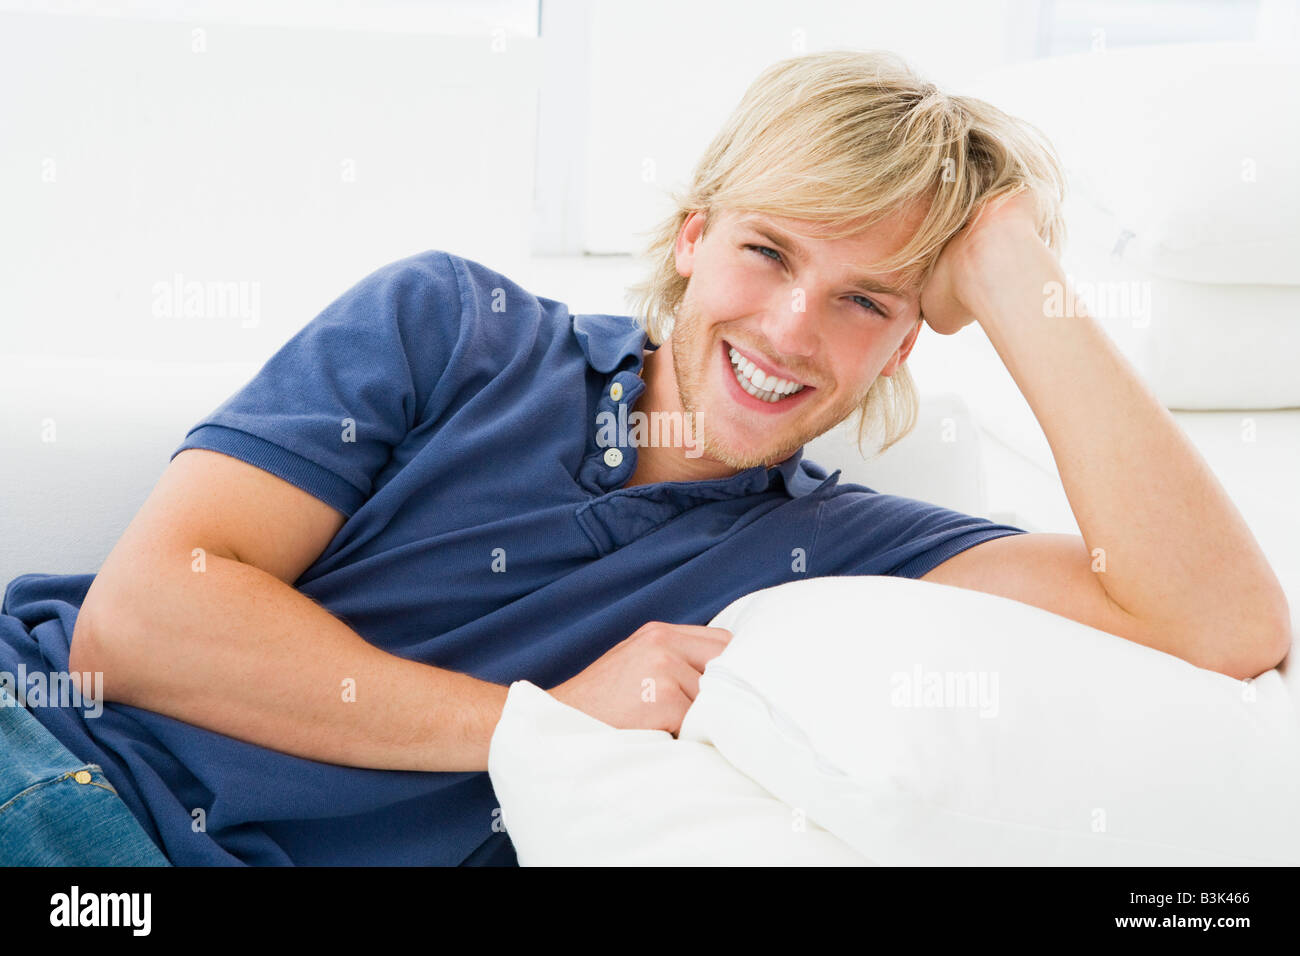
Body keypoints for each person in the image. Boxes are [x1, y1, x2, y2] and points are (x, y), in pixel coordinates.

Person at [1, 49, 1287, 867]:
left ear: (905, 347)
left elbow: (1222, 623)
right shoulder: (450, 322)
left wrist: (1005, 255)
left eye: (867, 301)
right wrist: (546, 722)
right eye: (768, 252)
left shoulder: (854, 552)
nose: (789, 330)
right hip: (48, 764)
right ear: (690, 235)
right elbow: (144, 624)